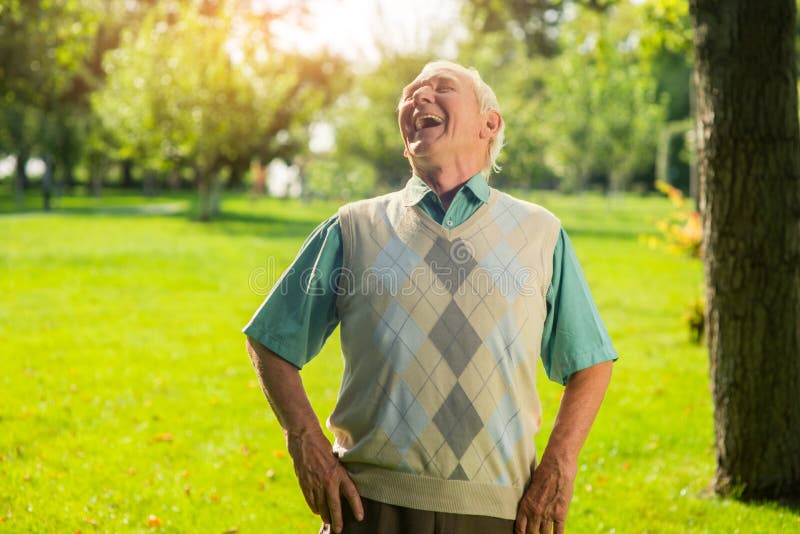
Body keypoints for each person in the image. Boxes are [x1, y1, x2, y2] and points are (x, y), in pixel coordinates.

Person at [244, 60, 617, 534]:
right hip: (369, 509)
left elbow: (590, 361)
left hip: (502, 513)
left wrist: (560, 465)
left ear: (489, 123)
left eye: (442, 88)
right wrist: (305, 443)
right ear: (405, 141)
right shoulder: (354, 227)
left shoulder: (541, 234)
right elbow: (272, 340)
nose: (419, 98)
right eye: (410, 93)